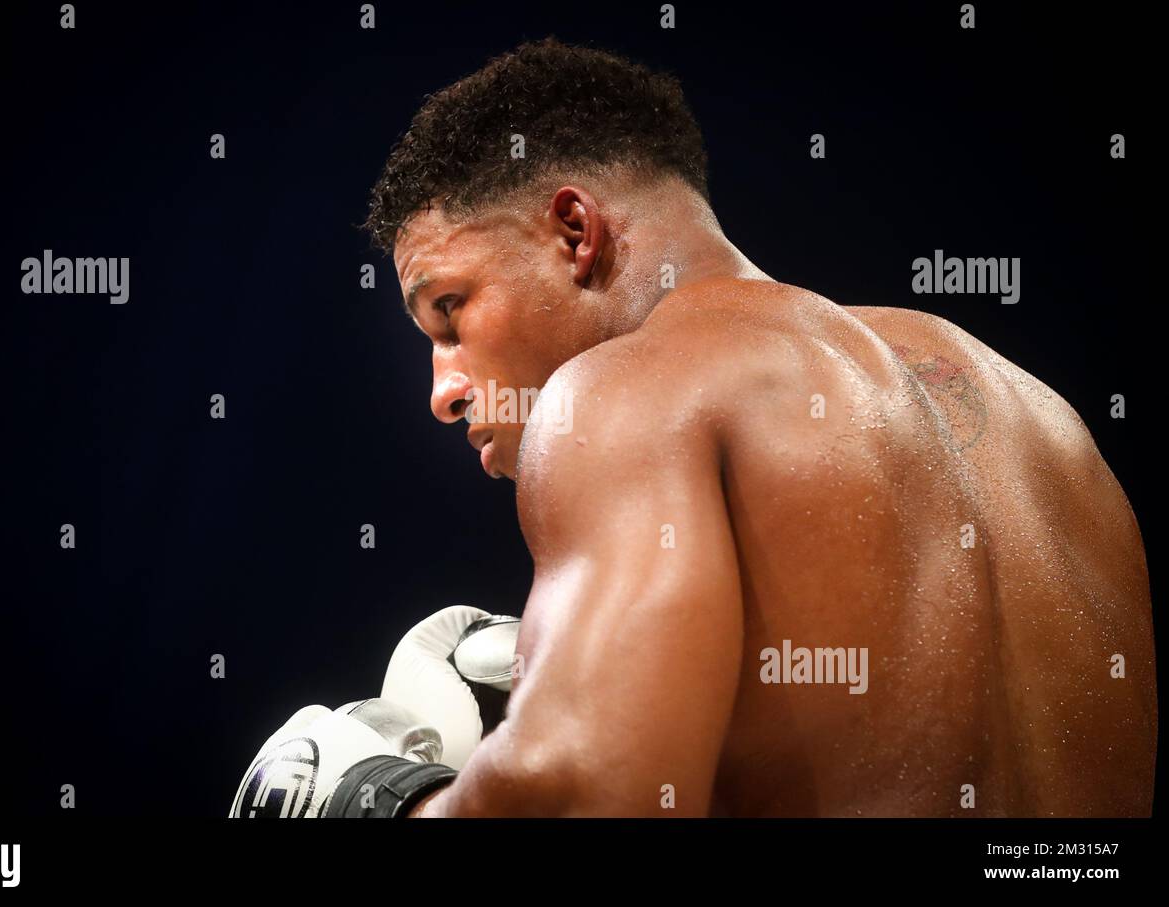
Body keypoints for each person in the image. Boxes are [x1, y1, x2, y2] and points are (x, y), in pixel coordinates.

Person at [236, 37, 1156, 818]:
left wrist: (385, 796)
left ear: (572, 230)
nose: (441, 391)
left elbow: (593, 794)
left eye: (450, 310)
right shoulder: (1044, 420)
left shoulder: (623, 393)